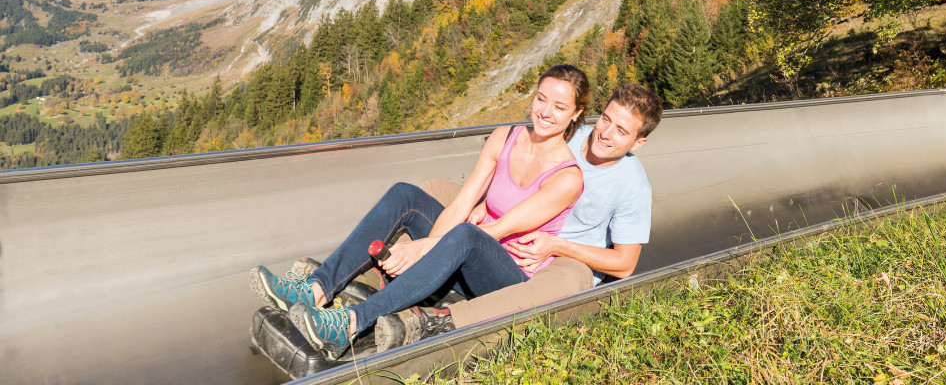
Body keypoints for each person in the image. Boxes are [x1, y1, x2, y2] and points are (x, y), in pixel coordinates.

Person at [250, 65, 588, 360]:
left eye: (559, 106)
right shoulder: (506, 136)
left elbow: (496, 230)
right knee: (405, 195)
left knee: (468, 234)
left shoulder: (567, 177)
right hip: (464, 249)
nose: (545, 111)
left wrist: (422, 248)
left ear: (575, 113)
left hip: (504, 275)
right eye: (541, 99)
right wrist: (432, 245)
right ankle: (316, 289)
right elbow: (461, 204)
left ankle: (352, 323)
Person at [395, 82, 662, 344]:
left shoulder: (633, 186)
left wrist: (558, 245)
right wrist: (485, 204)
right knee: (433, 190)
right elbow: (516, 170)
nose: (605, 133)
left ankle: (440, 323)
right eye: (606, 119)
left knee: (569, 280)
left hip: (560, 254)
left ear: (638, 143)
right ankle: (385, 273)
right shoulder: (570, 133)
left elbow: (625, 264)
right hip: (512, 221)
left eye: (621, 131)